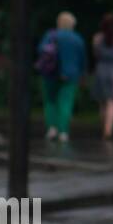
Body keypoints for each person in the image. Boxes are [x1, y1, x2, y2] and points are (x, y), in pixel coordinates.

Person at [36, 11, 86, 142]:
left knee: (50, 102)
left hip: (50, 73)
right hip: (70, 75)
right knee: (66, 103)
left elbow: (41, 50)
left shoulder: (51, 35)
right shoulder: (77, 39)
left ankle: (52, 128)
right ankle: (63, 131)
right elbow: (82, 60)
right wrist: (82, 75)